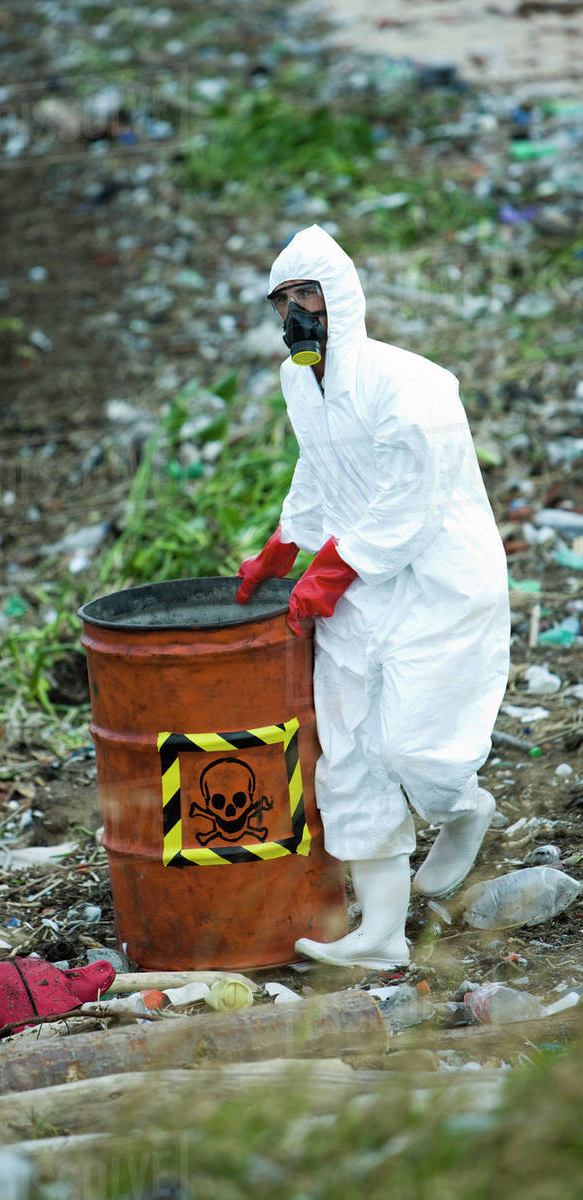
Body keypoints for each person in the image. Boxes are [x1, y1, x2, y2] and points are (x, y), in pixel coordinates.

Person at [235, 223, 510, 970]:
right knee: (350, 755)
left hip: (434, 584)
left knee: (413, 745)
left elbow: (409, 500)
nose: (296, 311)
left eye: (307, 294)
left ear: (342, 298)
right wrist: (284, 545)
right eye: (283, 299)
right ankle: (382, 936)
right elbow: (317, 468)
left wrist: (331, 570)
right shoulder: (301, 380)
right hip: (355, 588)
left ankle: (463, 807)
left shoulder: (411, 383)